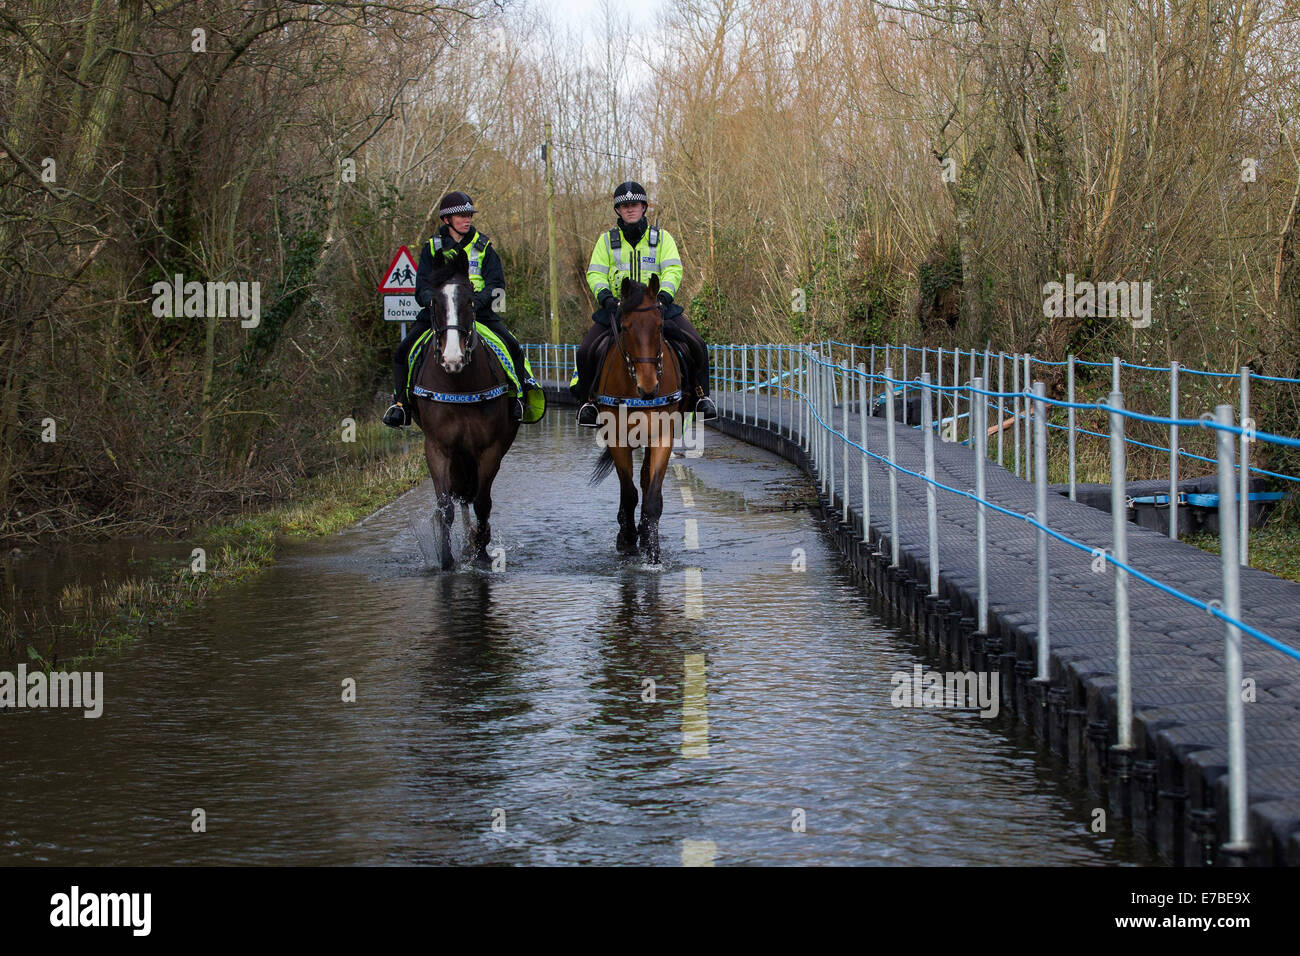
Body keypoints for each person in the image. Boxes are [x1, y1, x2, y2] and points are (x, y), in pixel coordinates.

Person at [383, 191, 536, 427]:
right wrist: (433, 301)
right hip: (439, 315)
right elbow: (422, 286)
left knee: (512, 346)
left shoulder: (484, 247)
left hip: (478, 313)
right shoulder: (432, 248)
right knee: (403, 351)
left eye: (469, 216)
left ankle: (517, 398)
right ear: (447, 220)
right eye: (461, 216)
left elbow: (497, 285)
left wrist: (476, 302)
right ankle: (401, 405)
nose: (467, 220)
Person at [572, 181, 717, 427]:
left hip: (657, 309)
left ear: (644, 207)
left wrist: (663, 297)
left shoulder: (662, 239)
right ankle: (589, 403)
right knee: (586, 349)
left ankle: (701, 397)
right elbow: (595, 273)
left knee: (697, 343)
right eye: (624, 206)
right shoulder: (606, 241)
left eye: (635, 205)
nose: (630, 209)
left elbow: (673, 269)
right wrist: (606, 297)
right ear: (618, 210)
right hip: (619, 309)